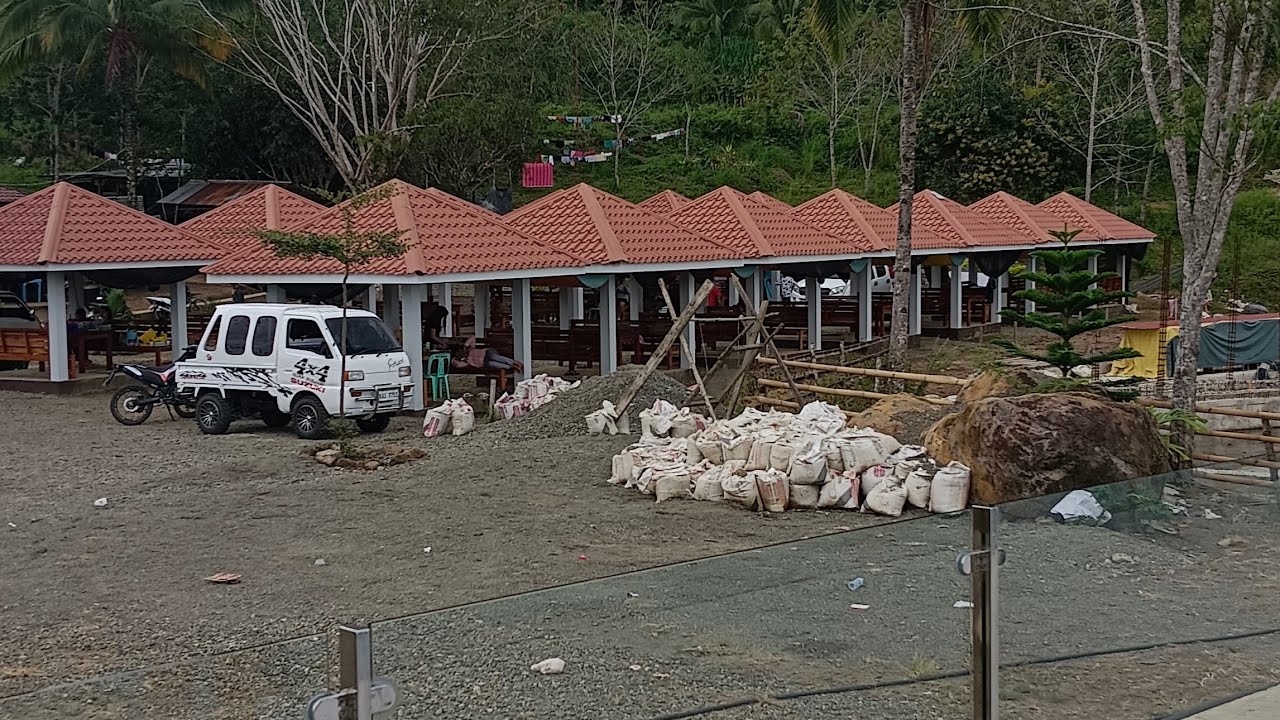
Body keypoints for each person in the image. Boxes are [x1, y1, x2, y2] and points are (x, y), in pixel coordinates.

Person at [450, 336, 523, 373]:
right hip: (484, 363)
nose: (461, 354)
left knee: (493, 357)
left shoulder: (470, 348)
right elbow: (458, 365)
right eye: (458, 354)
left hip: (487, 353)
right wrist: (456, 359)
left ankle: (514, 362)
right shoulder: (466, 362)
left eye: (460, 352)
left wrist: (465, 346)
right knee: (492, 364)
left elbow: (473, 337)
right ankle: (511, 367)